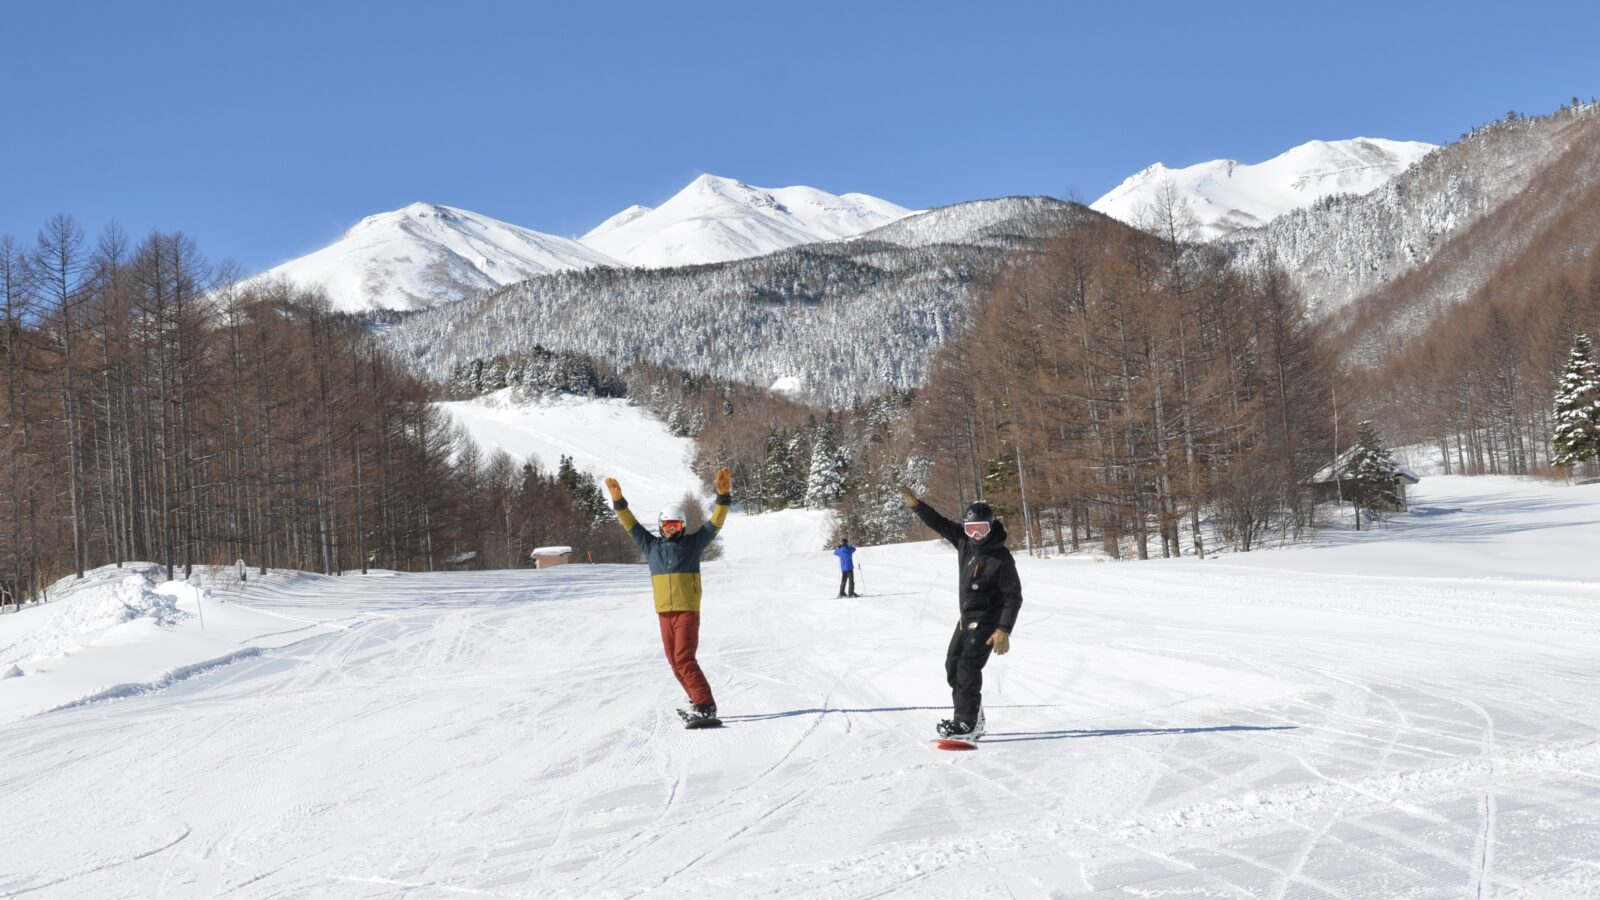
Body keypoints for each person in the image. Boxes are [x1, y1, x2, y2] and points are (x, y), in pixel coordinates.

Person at [604, 468, 732, 726]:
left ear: (683, 527)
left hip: (687, 611)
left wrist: (723, 497)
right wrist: (619, 502)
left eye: (676, 526)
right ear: (662, 527)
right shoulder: (651, 546)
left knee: (685, 659)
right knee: (675, 663)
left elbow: (715, 523)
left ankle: (706, 705)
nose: (672, 530)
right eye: (667, 526)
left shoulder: (693, 544)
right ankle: (696, 700)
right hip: (664, 613)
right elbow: (631, 524)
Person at [899, 486, 1022, 741]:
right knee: (953, 667)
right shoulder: (965, 543)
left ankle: (966, 724)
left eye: (982, 529)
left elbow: (1013, 596)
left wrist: (1004, 630)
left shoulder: (1001, 559)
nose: (976, 535)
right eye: (971, 529)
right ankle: (972, 714)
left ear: (991, 526)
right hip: (966, 620)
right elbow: (940, 523)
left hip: (989, 622)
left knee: (967, 668)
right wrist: (917, 506)